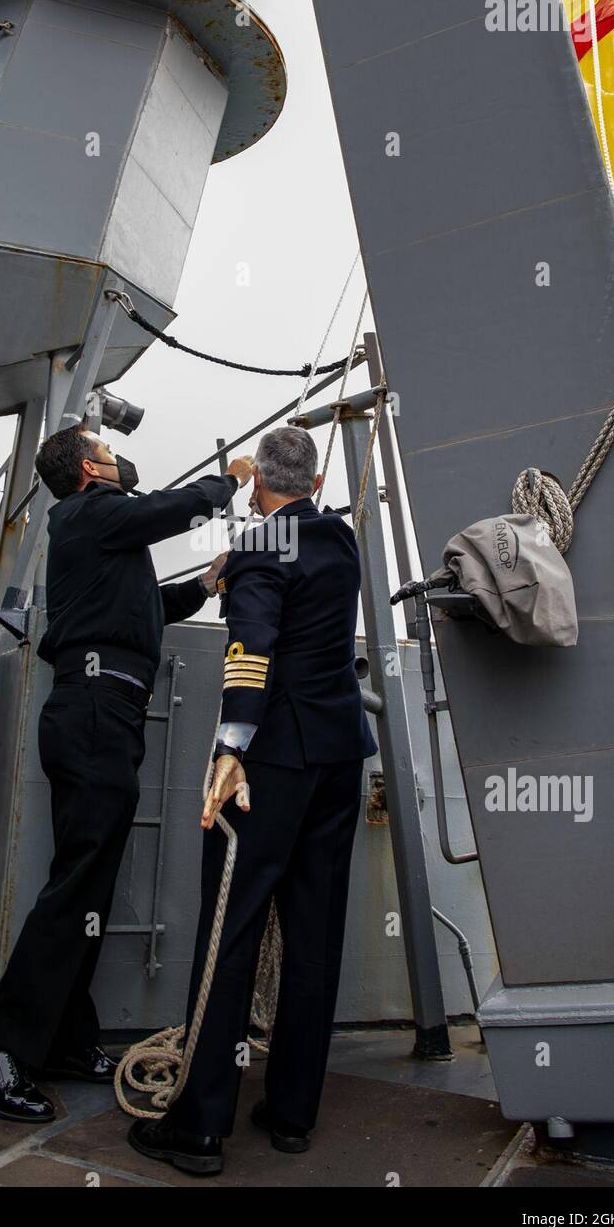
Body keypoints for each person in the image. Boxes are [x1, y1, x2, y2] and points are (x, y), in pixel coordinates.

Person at [0, 425, 254, 1123]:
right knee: (74, 891)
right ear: (91, 468)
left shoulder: (101, 535)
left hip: (103, 715)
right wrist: (231, 479)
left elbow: (147, 608)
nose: (119, 454)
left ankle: (62, 1038)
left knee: (88, 888)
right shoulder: (91, 513)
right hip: (94, 715)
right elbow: (172, 512)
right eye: (106, 447)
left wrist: (208, 583)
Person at [129, 426, 377, 1177]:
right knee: (314, 935)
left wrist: (231, 748)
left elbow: (253, 649)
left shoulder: (264, 545)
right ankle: (292, 1112)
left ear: (262, 483)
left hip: (268, 763)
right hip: (338, 758)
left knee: (229, 936)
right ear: (318, 474)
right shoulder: (340, 539)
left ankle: (201, 1127)